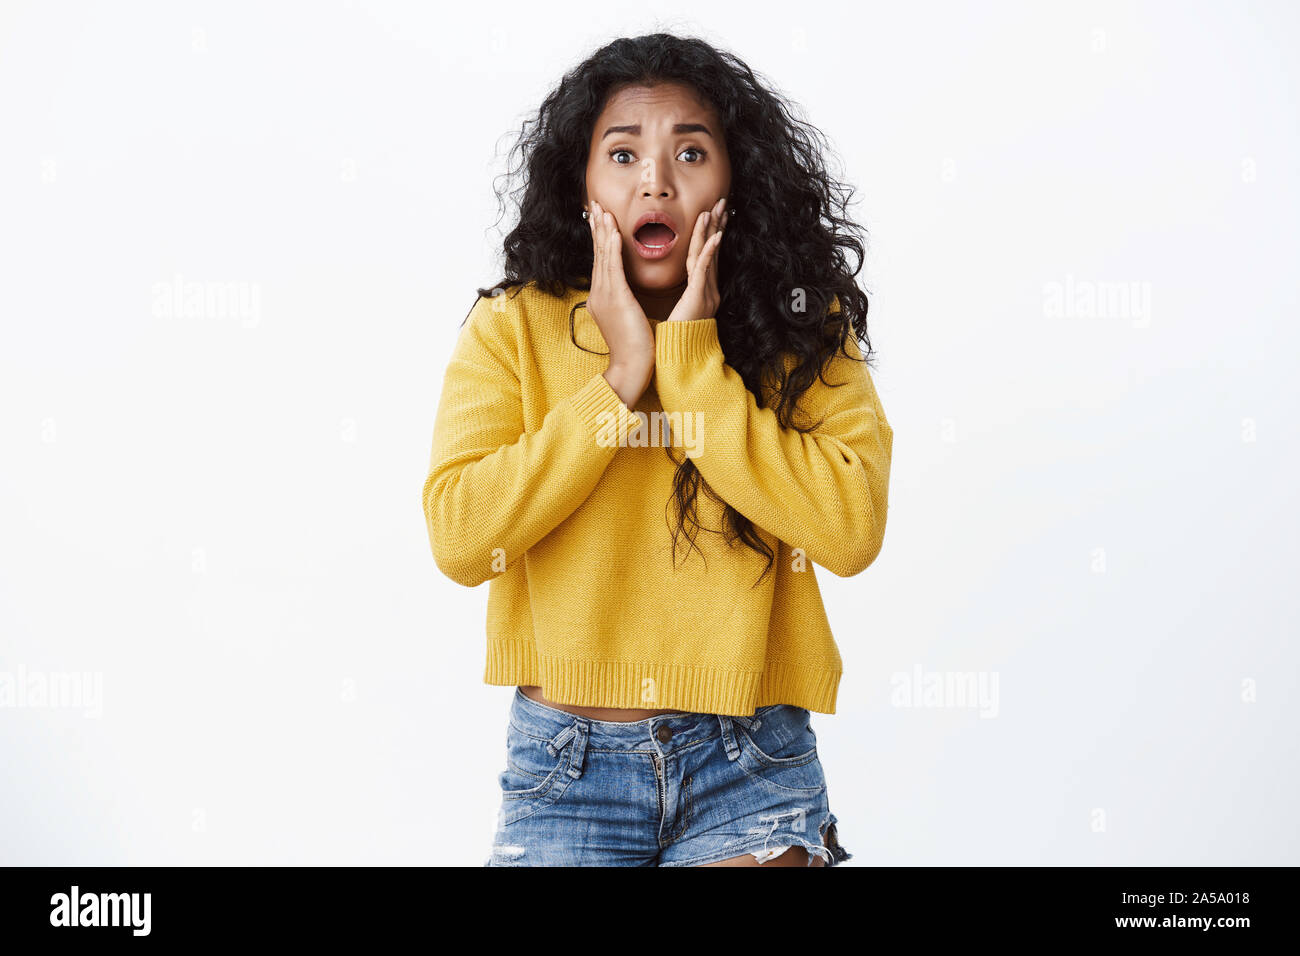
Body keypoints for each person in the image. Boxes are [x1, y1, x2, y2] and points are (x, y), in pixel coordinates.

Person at [422, 33, 893, 866]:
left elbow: (850, 530)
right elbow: (462, 540)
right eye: (624, 153)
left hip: (748, 764)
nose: (657, 180)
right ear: (583, 185)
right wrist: (617, 382)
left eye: (691, 152)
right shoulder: (512, 329)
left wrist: (690, 366)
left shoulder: (800, 328)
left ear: (736, 178)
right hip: (565, 773)